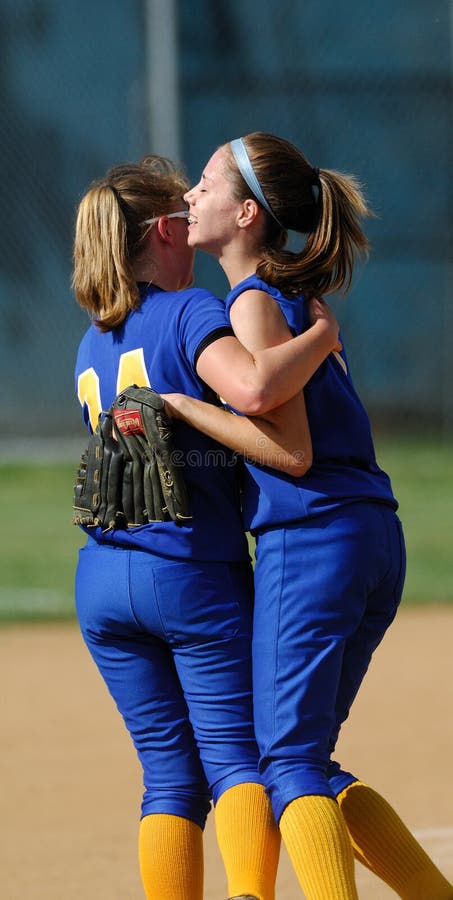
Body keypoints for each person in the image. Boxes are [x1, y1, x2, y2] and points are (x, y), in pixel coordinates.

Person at [159, 132, 453, 900]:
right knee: (305, 758)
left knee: (284, 763)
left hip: (312, 537)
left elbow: (287, 452)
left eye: (205, 184)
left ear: (247, 213)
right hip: (366, 535)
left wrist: (186, 404)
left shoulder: (254, 300)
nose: (189, 196)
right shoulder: (293, 302)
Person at [71, 154, 342, 900]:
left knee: (168, 780)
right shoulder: (187, 311)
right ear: (162, 230)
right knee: (238, 766)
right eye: (182, 218)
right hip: (188, 570)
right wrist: (319, 337)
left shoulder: (92, 341)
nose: (193, 224)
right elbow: (253, 390)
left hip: (101, 579)